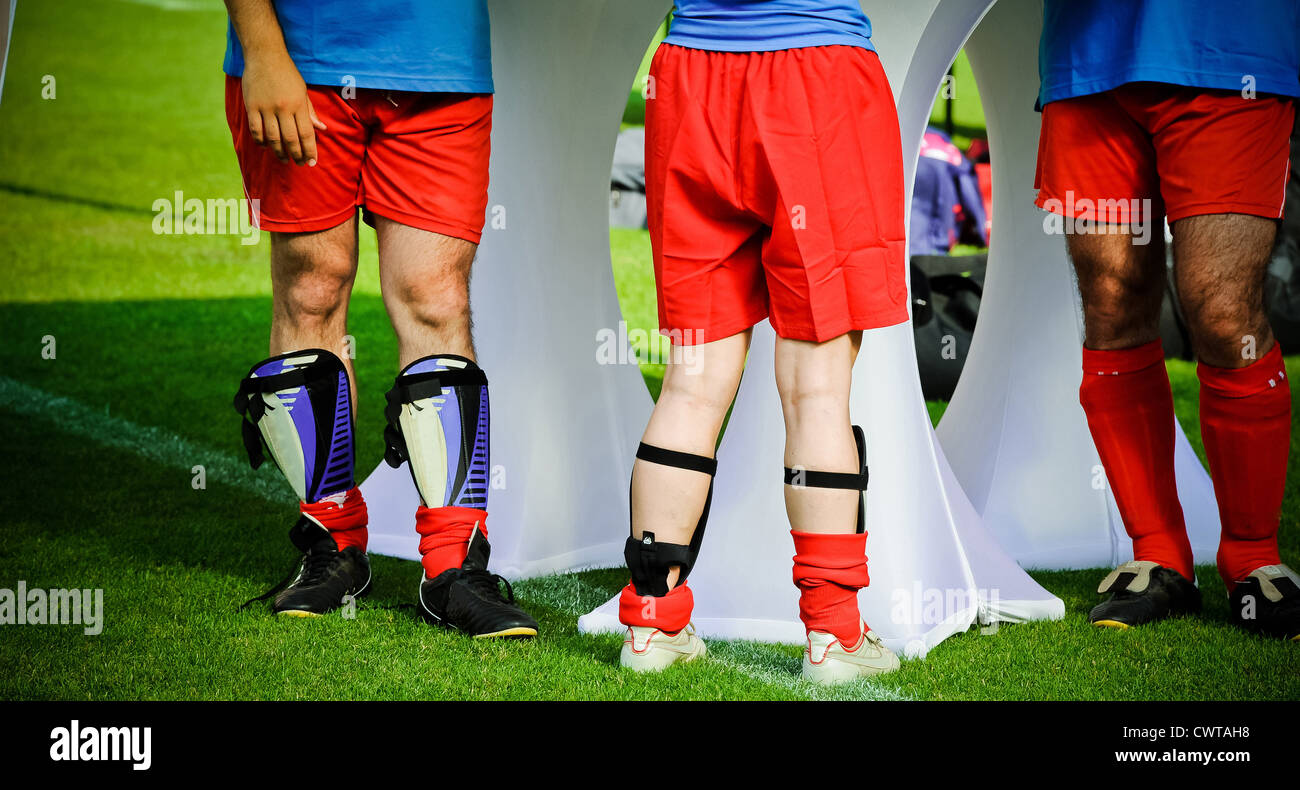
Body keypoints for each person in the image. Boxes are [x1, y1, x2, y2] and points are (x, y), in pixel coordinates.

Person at [224, 0, 538, 638]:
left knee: (436, 295)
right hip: (301, 53)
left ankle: (455, 567)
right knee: (313, 288)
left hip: (438, 58)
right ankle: (331, 540)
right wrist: (261, 48)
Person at [618, 0, 909, 683]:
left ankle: (651, 627)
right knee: (818, 388)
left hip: (690, 72)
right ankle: (834, 638)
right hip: (816, 70)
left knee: (691, 380)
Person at [1035, 0, 1300, 638]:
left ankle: (1253, 557)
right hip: (1088, 57)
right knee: (1111, 301)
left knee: (1221, 308)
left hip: (1229, 49)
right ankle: (1158, 554)